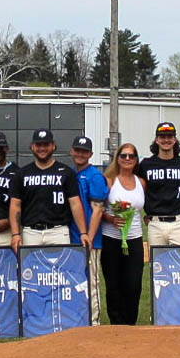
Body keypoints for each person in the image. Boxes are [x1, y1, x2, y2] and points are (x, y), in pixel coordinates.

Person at [8, 129, 88, 250]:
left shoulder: (66, 172)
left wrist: (83, 232)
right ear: (32, 147)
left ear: (53, 146)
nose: (42, 148)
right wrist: (15, 234)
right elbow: (15, 205)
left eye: (46, 144)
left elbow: (75, 203)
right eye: (38, 145)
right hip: (31, 233)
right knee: (30, 268)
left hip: (58, 232)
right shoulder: (22, 173)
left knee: (60, 268)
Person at [100, 143, 147, 325]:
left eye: (131, 156)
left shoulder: (141, 183)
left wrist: (149, 216)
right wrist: (110, 218)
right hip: (111, 238)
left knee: (134, 285)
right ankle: (116, 325)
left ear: (136, 160)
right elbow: (97, 208)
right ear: (117, 158)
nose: (127, 159)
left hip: (134, 239)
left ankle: (130, 324)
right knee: (113, 285)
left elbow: (144, 207)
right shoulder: (109, 180)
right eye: (123, 155)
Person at [67, 135, 109, 323]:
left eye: (84, 151)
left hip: (91, 240)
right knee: (74, 282)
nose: (80, 154)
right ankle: (78, 320)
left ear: (90, 154)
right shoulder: (70, 174)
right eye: (77, 150)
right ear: (71, 151)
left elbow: (98, 210)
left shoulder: (95, 176)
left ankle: (94, 323)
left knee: (91, 281)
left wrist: (90, 238)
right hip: (73, 237)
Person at [139, 122, 180, 246]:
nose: (166, 140)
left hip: (179, 222)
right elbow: (140, 191)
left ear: (175, 140)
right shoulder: (146, 165)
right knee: (157, 263)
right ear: (156, 140)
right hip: (155, 223)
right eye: (162, 137)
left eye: (170, 137)